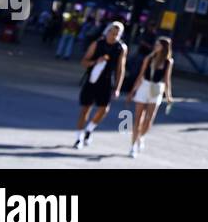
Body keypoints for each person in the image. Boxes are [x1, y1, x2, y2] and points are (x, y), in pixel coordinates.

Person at [73, 20, 128, 149]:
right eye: (112, 32)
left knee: (104, 109)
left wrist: (118, 87)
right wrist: (95, 62)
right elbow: (84, 61)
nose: (113, 36)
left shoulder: (121, 48)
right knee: (85, 108)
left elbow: (121, 69)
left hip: (107, 80)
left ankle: (89, 129)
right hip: (92, 79)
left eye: (117, 34)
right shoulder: (97, 44)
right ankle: (78, 137)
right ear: (107, 31)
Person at [127, 36, 174, 158]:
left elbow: (167, 79)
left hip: (157, 88)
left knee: (149, 118)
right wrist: (133, 91)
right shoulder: (149, 58)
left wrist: (168, 95)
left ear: (164, 47)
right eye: (156, 44)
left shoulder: (168, 62)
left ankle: (141, 137)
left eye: (158, 45)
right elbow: (141, 75)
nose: (156, 46)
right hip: (145, 86)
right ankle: (133, 146)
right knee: (138, 117)